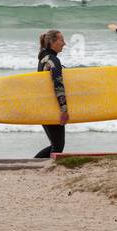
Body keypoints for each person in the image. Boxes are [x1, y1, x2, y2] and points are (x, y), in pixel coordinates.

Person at [34, 30, 69, 159]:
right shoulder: (53, 60)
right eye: (61, 40)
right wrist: (64, 110)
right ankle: (34, 164)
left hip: (44, 106)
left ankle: (34, 164)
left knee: (56, 145)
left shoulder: (43, 59)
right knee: (58, 146)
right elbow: (58, 86)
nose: (64, 43)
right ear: (52, 42)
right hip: (52, 108)